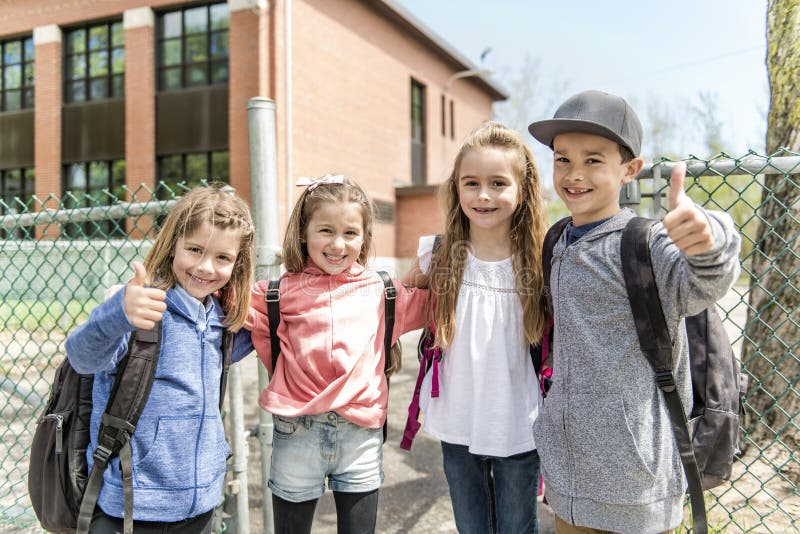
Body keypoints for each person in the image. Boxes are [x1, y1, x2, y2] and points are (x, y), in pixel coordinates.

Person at [527, 90, 742, 534]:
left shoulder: (644, 244)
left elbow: (705, 280)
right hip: (569, 477)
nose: (574, 174)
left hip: (638, 481)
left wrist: (709, 239)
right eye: (563, 159)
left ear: (630, 170)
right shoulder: (557, 240)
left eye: (593, 160)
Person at [65, 184, 256, 533]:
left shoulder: (221, 322)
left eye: (222, 258)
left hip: (201, 507)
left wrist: (266, 313)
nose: (205, 267)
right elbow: (81, 356)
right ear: (172, 247)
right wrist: (117, 314)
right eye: (194, 249)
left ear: (236, 264)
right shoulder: (142, 309)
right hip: (132, 508)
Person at [245, 174, 429, 534]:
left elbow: (445, 304)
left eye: (350, 233)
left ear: (364, 237)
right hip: (295, 432)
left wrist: (437, 258)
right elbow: (226, 301)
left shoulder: (382, 291)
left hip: (360, 436)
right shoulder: (276, 292)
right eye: (325, 231)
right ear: (304, 233)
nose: (338, 244)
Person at [403, 121, 549, 533]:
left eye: (498, 183)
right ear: (457, 188)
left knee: (517, 527)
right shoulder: (439, 254)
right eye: (471, 183)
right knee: (471, 527)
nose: (483, 195)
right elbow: (392, 302)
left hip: (518, 422)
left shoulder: (540, 258)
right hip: (458, 419)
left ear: (522, 189)